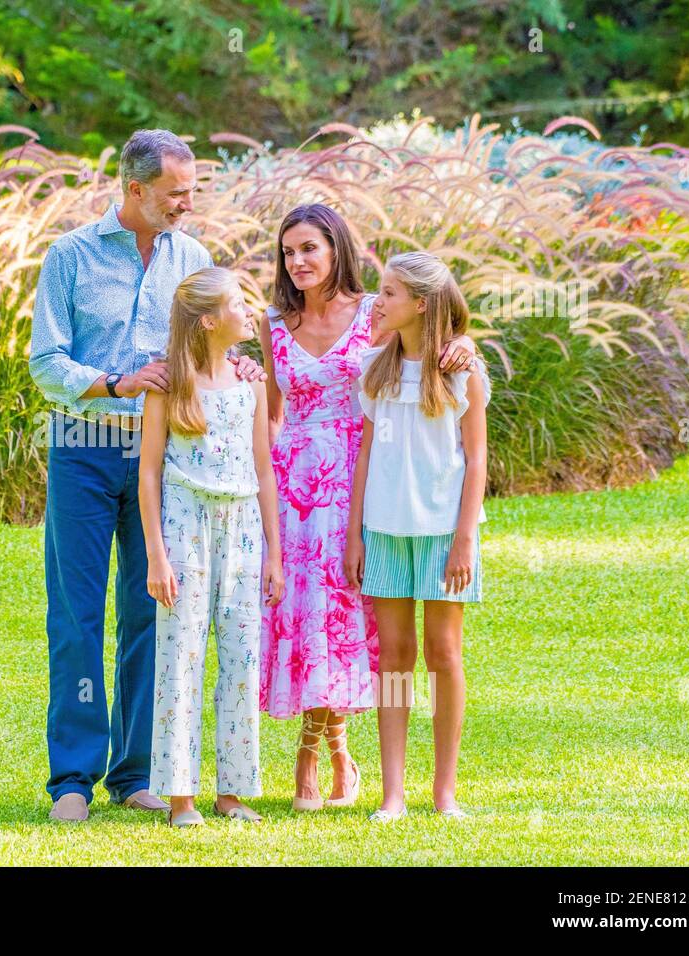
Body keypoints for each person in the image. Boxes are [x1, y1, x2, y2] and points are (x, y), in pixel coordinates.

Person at [29, 130, 264, 822]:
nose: (187, 205)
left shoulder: (192, 258)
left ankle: (134, 773)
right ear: (135, 190)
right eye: (175, 194)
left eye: (192, 192)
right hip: (83, 448)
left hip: (169, 462)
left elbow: (210, 344)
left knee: (148, 613)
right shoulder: (69, 257)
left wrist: (238, 371)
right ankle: (72, 778)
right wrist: (115, 382)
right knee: (75, 614)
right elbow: (47, 362)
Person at [258, 204, 478, 811]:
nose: (297, 261)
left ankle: (344, 754)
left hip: (366, 479)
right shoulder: (273, 321)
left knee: (351, 625)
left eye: (309, 249)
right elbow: (270, 411)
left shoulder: (372, 315)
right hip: (302, 485)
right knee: (304, 618)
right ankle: (321, 748)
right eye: (288, 251)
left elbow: (428, 333)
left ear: (336, 250)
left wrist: (463, 342)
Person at [343, 251, 489, 822]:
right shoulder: (374, 369)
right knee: (395, 659)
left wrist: (464, 540)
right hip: (384, 531)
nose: (377, 302)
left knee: (443, 653)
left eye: (389, 294)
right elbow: (363, 458)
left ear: (420, 305)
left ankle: (444, 792)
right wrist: (355, 535)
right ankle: (393, 793)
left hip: (442, 534)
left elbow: (476, 461)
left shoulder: (462, 371)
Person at [137, 268, 285, 827]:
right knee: (181, 656)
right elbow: (149, 473)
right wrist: (156, 553)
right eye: (238, 304)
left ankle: (234, 790)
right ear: (208, 320)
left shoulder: (252, 382)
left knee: (242, 656)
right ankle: (180, 796)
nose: (250, 313)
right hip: (184, 527)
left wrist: (273, 553)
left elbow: (264, 470)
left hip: (243, 525)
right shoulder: (170, 384)